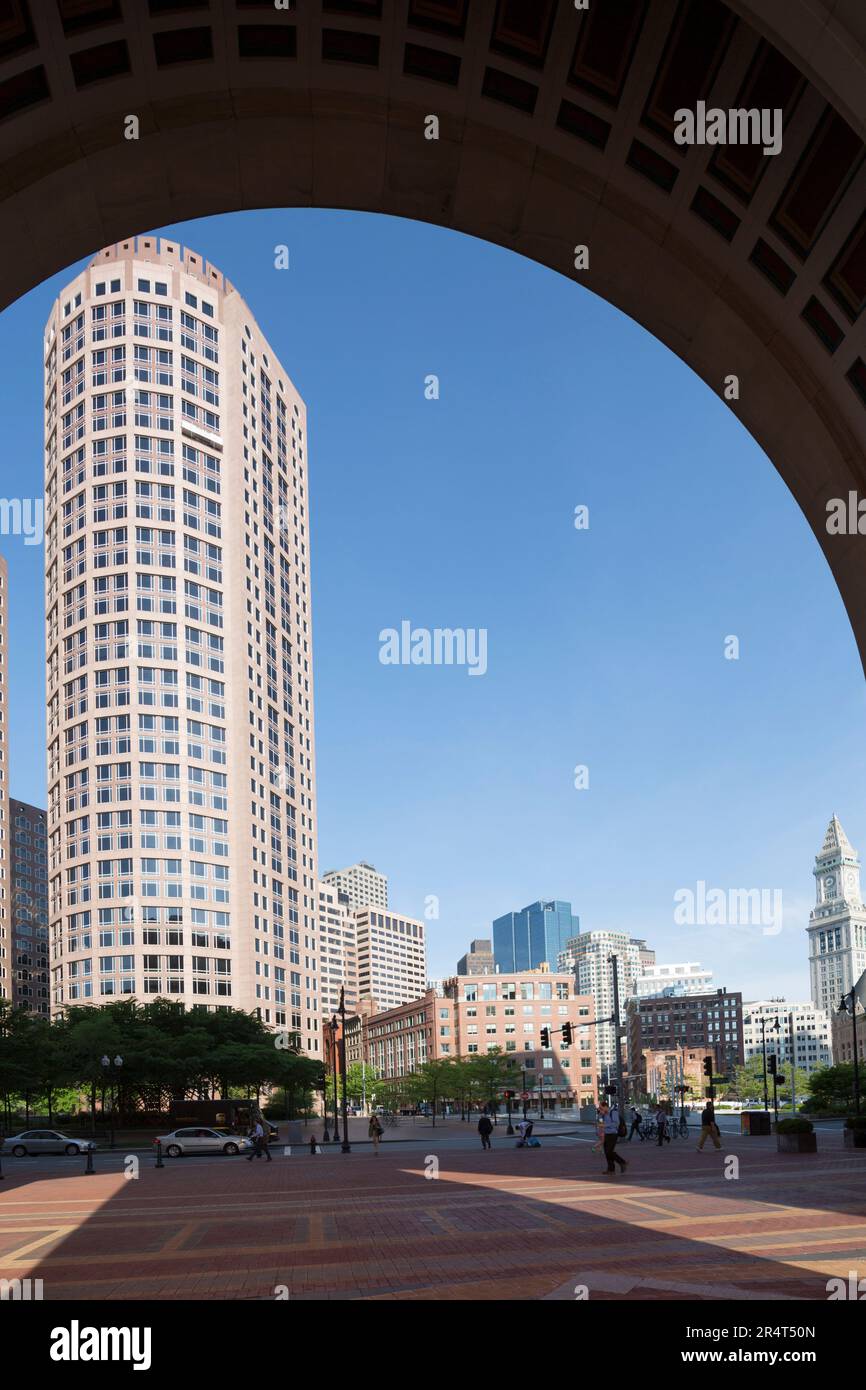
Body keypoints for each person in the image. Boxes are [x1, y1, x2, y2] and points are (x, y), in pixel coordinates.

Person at [601, 1102, 627, 1176]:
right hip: (606, 1134)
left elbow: (616, 1123)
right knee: (607, 1153)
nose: (600, 1109)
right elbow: (600, 1124)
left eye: (601, 1108)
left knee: (609, 1151)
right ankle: (611, 1170)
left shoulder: (613, 1112)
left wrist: (605, 1125)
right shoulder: (603, 1114)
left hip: (613, 1134)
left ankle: (622, 1162)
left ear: (605, 1106)